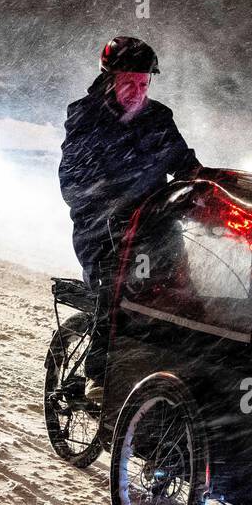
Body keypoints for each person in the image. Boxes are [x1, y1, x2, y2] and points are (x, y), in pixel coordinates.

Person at [57, 36, 200, 405]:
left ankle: (181, 375)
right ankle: (98, 376)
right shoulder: (87, 118)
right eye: (128, 83)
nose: (137, 92)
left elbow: (184, 165)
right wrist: (106, 208)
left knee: (183, 296)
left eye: (143, 84)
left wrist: (208, 190)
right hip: (101, 230)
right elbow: (74, 182)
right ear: (109, 81)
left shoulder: (158, 118)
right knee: (118, 290)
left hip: (154, 228)